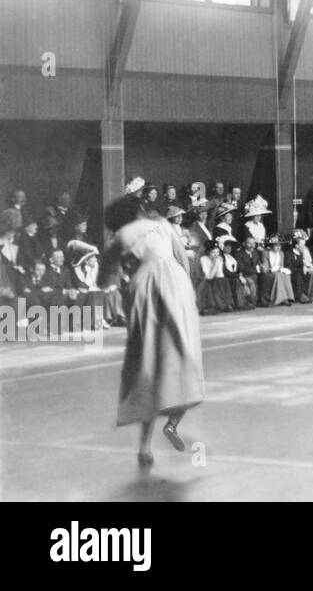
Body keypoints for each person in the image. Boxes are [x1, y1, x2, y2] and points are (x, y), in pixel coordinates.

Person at [100, 197, 204, 471]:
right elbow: (182, 258)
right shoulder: (162, 225)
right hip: (177, 286)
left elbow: (104, 269)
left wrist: (112, 277)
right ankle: (172, 423)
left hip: (145, 288)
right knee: (184, 359)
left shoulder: (124, 234)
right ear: (140, 211)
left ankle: (145, 447)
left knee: (146, 363)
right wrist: (186, 289)